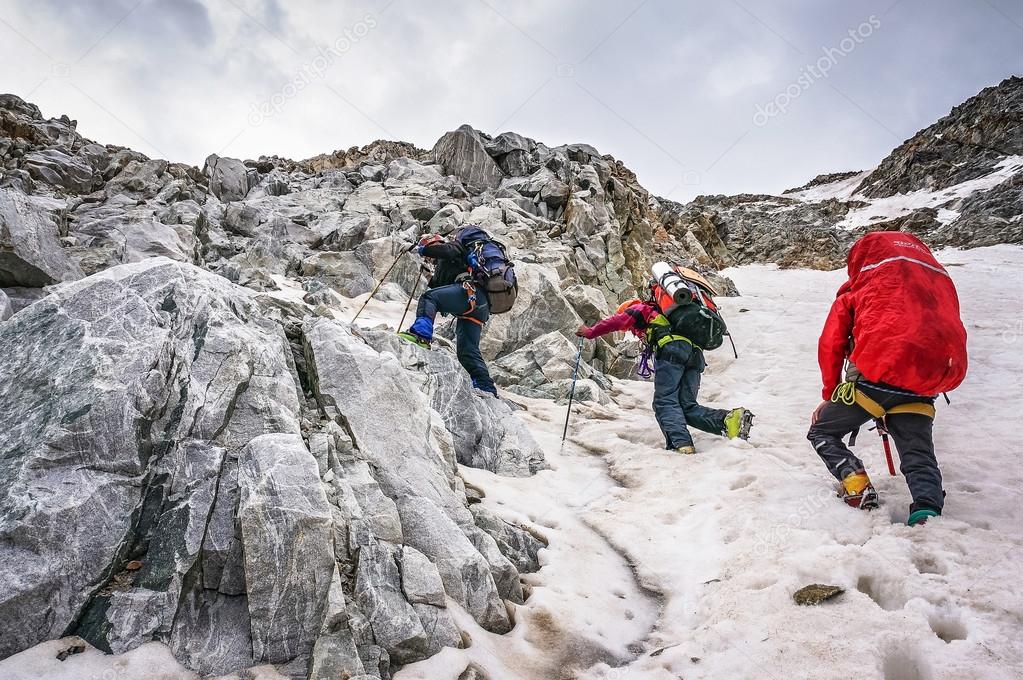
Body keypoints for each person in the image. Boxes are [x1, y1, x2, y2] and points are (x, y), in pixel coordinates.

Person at [807, 231, 967, 526]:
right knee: (918, 452)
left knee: (822, 432)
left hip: (872, 384)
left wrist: (830, 394)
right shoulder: (934, 290)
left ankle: (857, 487)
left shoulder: (855, 293)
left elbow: (830, 344)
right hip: (922, 386)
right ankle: (927, 510)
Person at [577, 297, 752, 454]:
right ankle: (729, 420)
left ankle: (680, 444)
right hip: (695, 356)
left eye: (631, 328)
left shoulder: (641, 308)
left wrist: (590, 332)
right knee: (686, 406)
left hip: (672, 351)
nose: (632, 330)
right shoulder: (673, 319)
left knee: (664, 402)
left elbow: (617, 321)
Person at [398, 232, 498, 396]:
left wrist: (420, 249)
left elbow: (447, 252)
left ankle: (421, 336)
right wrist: (428, 276)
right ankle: (486, 387)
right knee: (467, 350)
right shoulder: (448, 263)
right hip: (478, 305)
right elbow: (443, 287)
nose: (430, 259)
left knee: (428, 298)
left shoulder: (454, 246)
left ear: (434, 244)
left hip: (469, 294)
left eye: (430, 252)